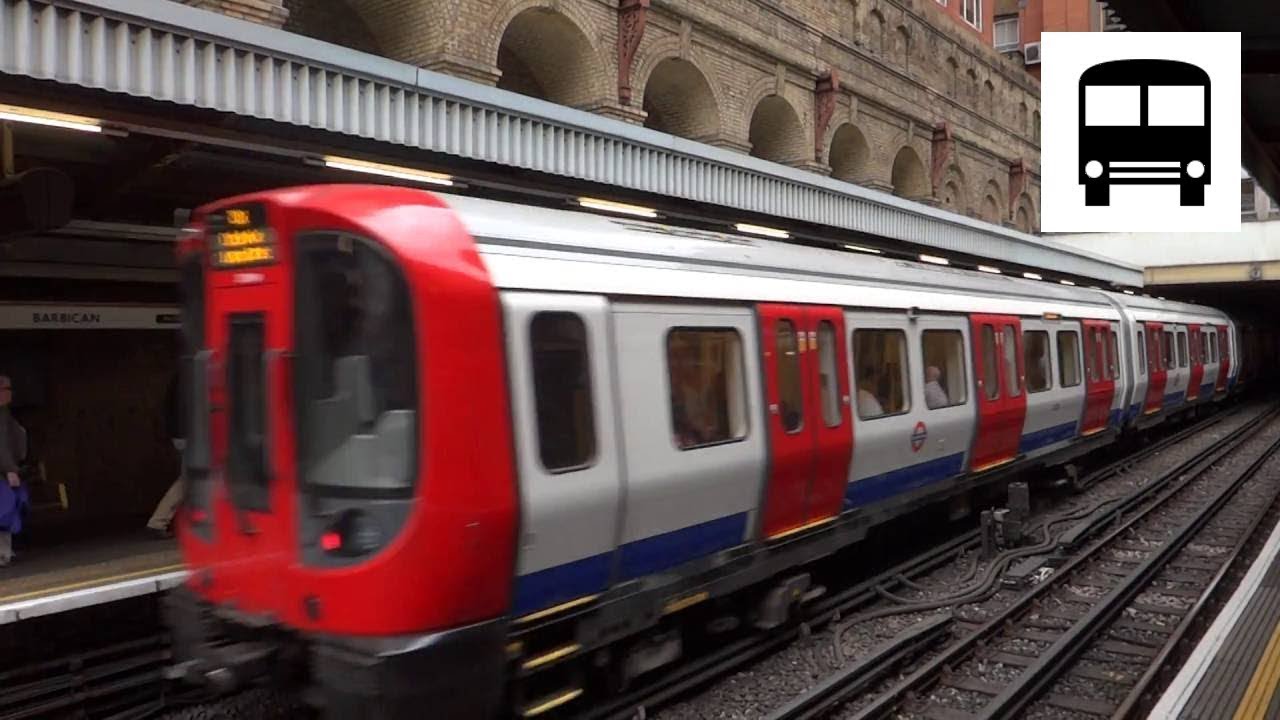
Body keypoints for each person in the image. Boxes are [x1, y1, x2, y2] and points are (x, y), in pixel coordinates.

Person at [147, 374, 184, 538]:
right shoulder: (192, 376)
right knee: (191, 479)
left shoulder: (179, 378)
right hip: (190, 435)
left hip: (180, 434)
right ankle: (157, 522)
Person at [0, 375, 28, 567]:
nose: (10, 394)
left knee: (7, 510)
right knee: (5, 510)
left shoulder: (5, 413)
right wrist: (10, 469)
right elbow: (1, 445)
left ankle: (5, 552)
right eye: (6, 390)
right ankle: (3, 553)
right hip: (3, 472)